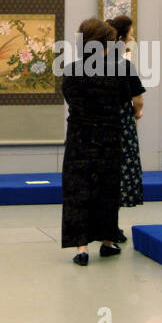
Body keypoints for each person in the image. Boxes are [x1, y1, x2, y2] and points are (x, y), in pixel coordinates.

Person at [60, 18, 143, 266]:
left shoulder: (71, 70)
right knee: (107, 188)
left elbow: (71, 100)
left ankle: (81, 248)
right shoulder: (121, 69)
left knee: (78, 189)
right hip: (109, 135)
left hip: (79, 136)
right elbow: (130, 101)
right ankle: (107, 242)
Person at [107, 15, 145, 239]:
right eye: (131, 33)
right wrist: (133, 113)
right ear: (121, 38)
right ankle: (111, 227)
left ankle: (107, 228)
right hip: (122, 126)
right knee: (121, 175)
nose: (133, 37)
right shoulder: (124, 65)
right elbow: (138, 100)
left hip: (100, 125)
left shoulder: (94, 64)